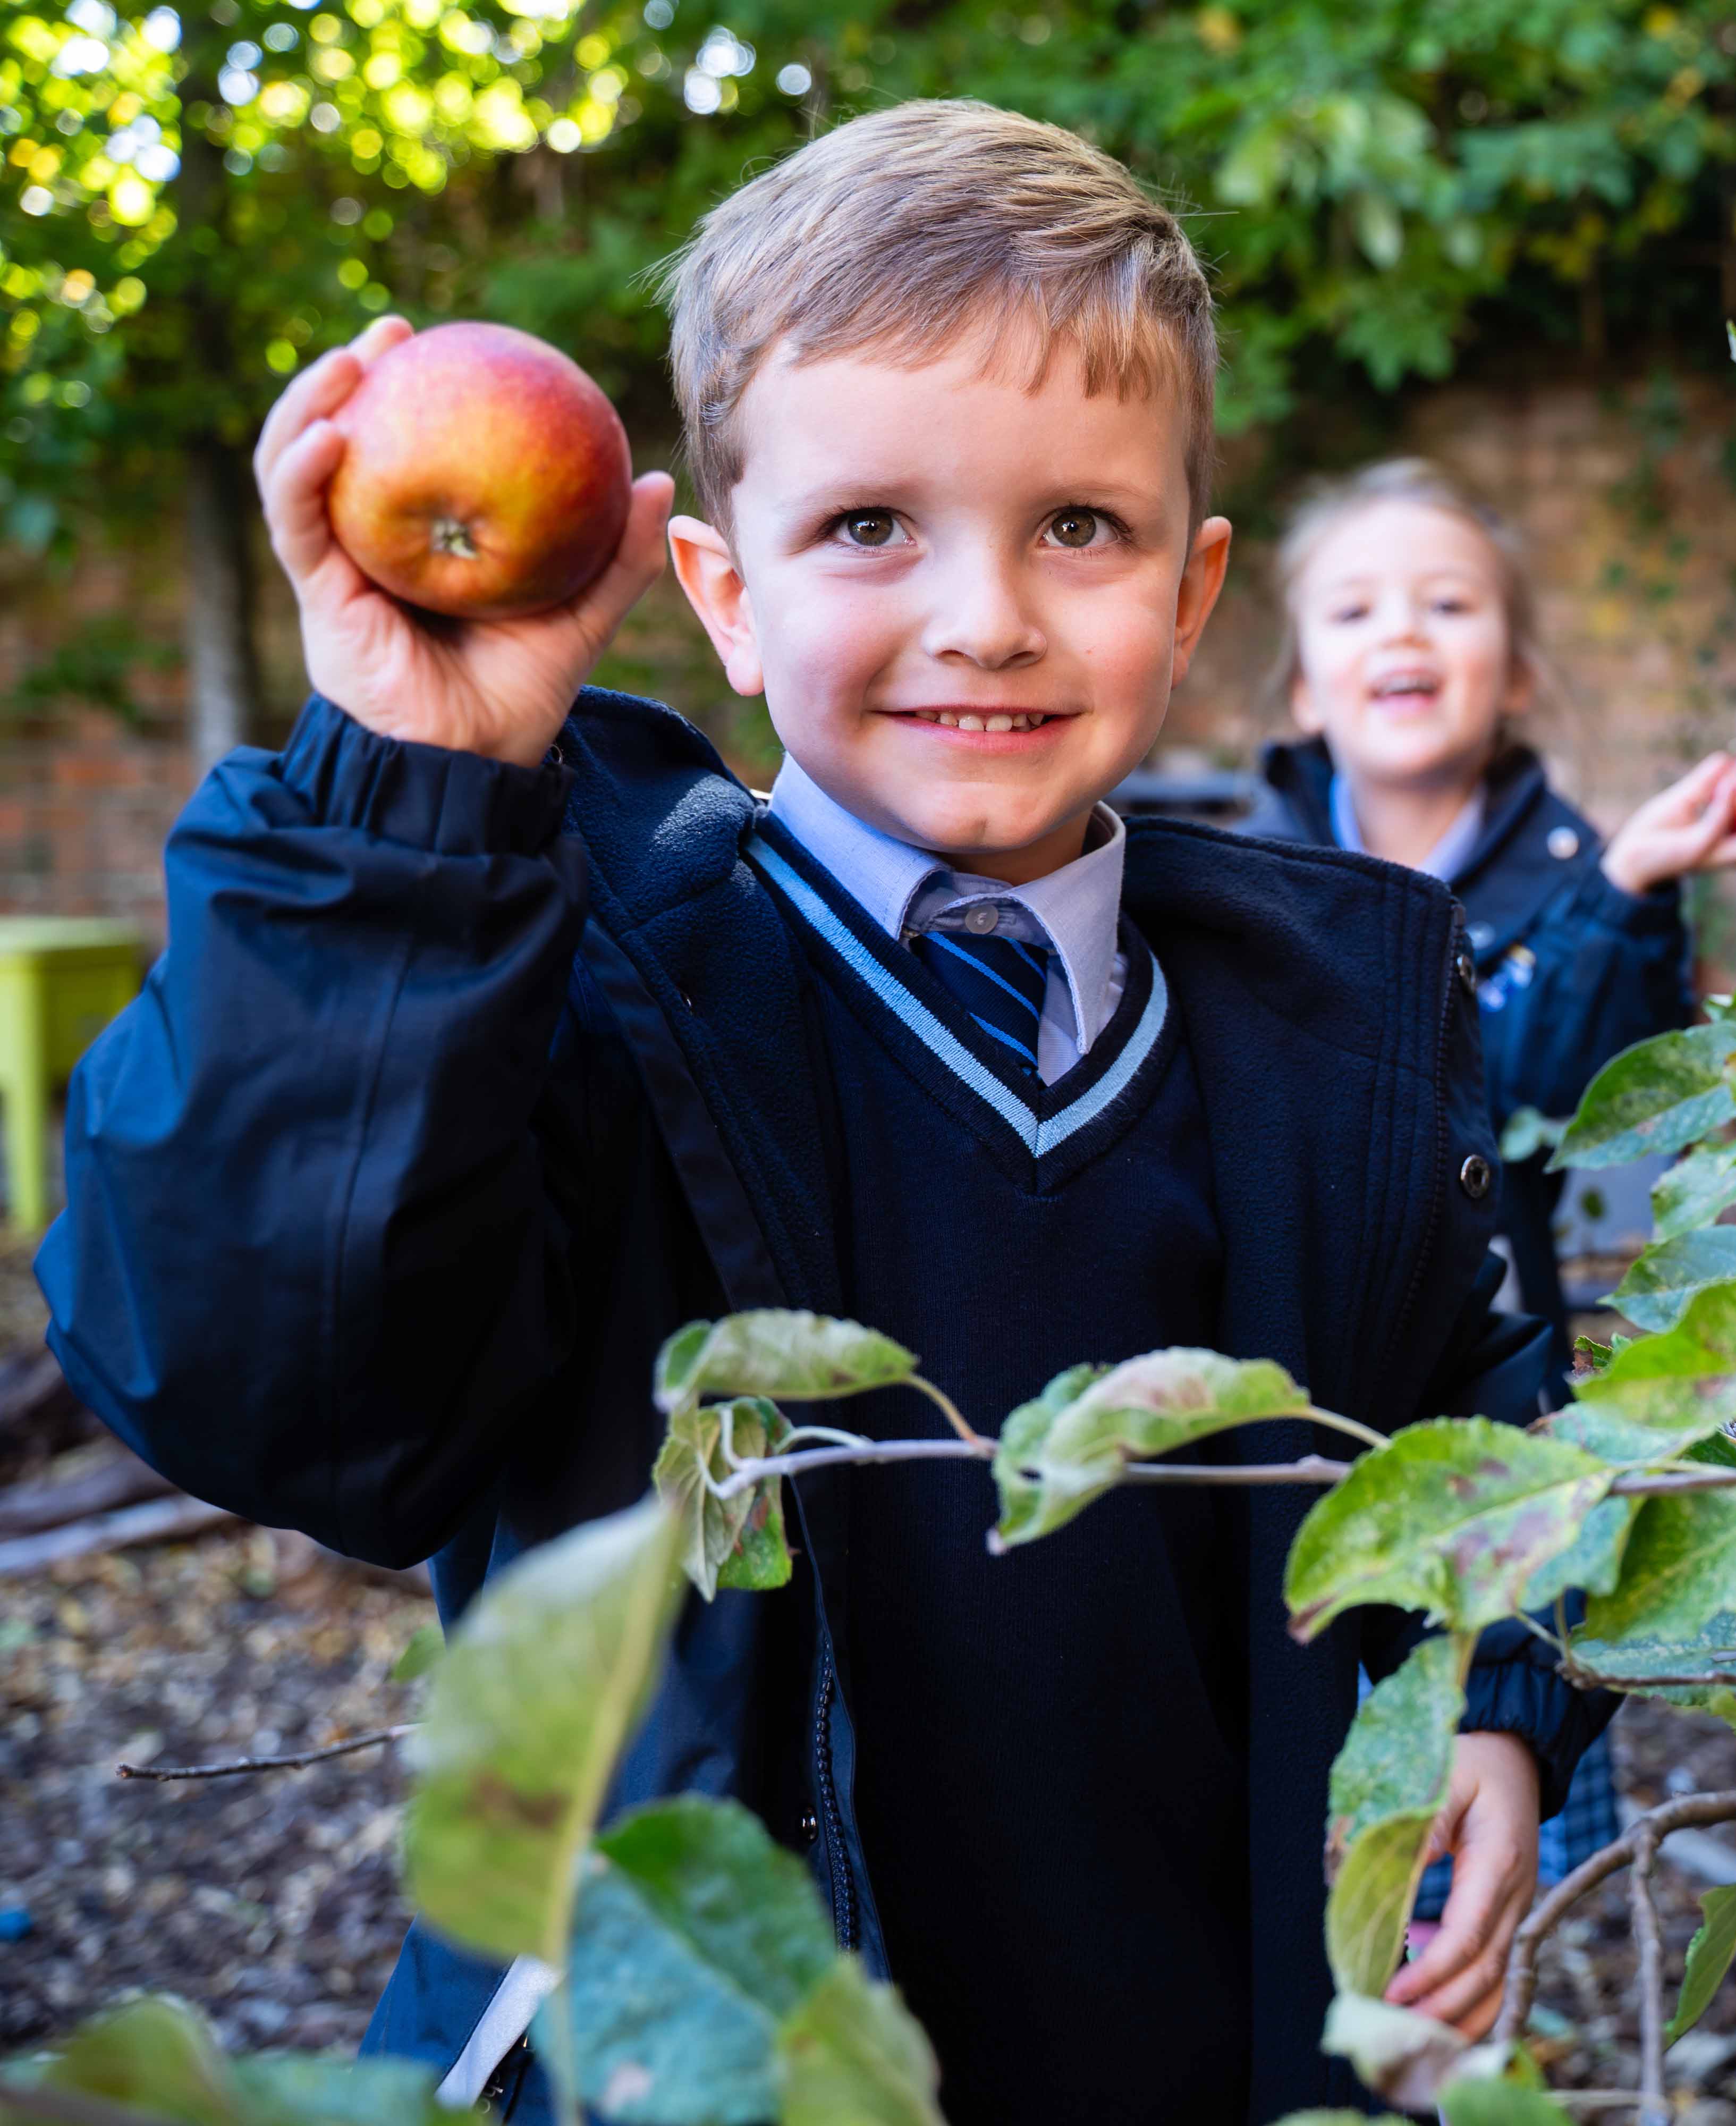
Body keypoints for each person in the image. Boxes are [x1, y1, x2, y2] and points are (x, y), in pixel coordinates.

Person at [38, 104, 1607, 2124]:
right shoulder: (577, 987)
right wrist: (407, 810)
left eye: (1081, 528)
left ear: (1195, 589)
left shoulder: (1331, 1031)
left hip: (1204, 2043)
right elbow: (277, 1388)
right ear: (718, 587)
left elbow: (1484, 1419)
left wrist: (1495, 1704)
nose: (988, 615)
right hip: (707, 2067)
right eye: (871, 527)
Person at [1239, 459, 1736, 1890]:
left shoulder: (1589, 888)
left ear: (1521, 675)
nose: (1406, 633)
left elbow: (1548, 1111)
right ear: (1304, 688)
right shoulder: (1238, 890)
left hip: (1505, 1451)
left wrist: (1625, 893)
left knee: (1508, 1854)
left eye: (1450, 603)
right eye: (1358, 608)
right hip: (1290, 1449)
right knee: (1308, 1858)